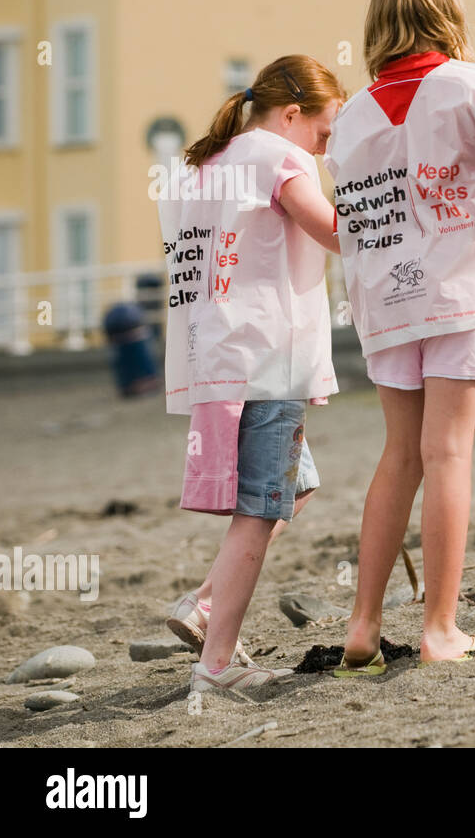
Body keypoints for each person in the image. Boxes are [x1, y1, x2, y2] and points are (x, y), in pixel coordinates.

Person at [326, 0, 475, 674]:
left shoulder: (355, 115)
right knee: (449, 452)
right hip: (459, 293)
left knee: (400, 455)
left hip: (389, 302)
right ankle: (440, 628)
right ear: (447, 13)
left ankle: (362, 625)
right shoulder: (472, 86)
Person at [161, 55, 346, 691]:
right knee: (260, 513)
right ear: (291, 115)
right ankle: (215, 666)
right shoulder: (280, 157)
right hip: (269, 359)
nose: (325, 149)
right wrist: (392, 209)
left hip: (221, 357)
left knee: (294, 485)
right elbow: (334, 234)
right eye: (324, 134)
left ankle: (205, 603)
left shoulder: (209, 163)